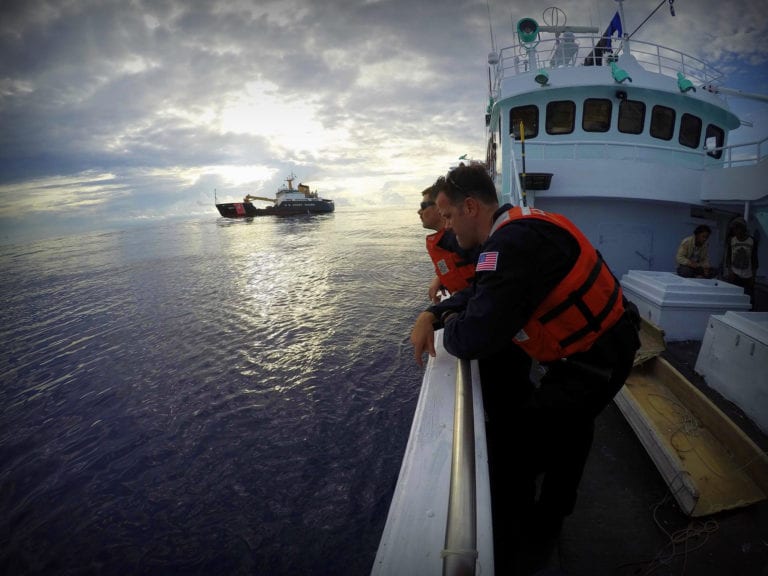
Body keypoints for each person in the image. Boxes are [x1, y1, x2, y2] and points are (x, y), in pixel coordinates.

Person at [410, 163, 640, 575]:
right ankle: (552, 514)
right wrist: (434, 312)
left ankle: (524, 543)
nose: (446, 227)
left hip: (595, 362)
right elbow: (481, 293)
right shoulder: (518, 228)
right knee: (571, 426)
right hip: (598, 350)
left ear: (470, 208)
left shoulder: (508, 246)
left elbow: (476, 336)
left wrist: (449, 324)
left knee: (513, 456)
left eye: (448, 216)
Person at [419, 181, 478, 303]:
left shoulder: (458, 239)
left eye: (423, 206)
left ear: (438, 207)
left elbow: (485, 279)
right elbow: (453, 267)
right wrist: (440, 280)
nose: (419, 211)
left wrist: (455, 301)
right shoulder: (443, 240)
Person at [724, 217, 759, 308]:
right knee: (733, 298)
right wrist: (730, 271)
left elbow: (754, 259)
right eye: (734, 229)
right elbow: (728, 257)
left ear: (743, 229)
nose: (736, 231)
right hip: (734, 274)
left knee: (749, 299)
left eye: (737, 228)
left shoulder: (752, 241)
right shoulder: (731, 240)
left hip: (748, 275)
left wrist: (753, 276)